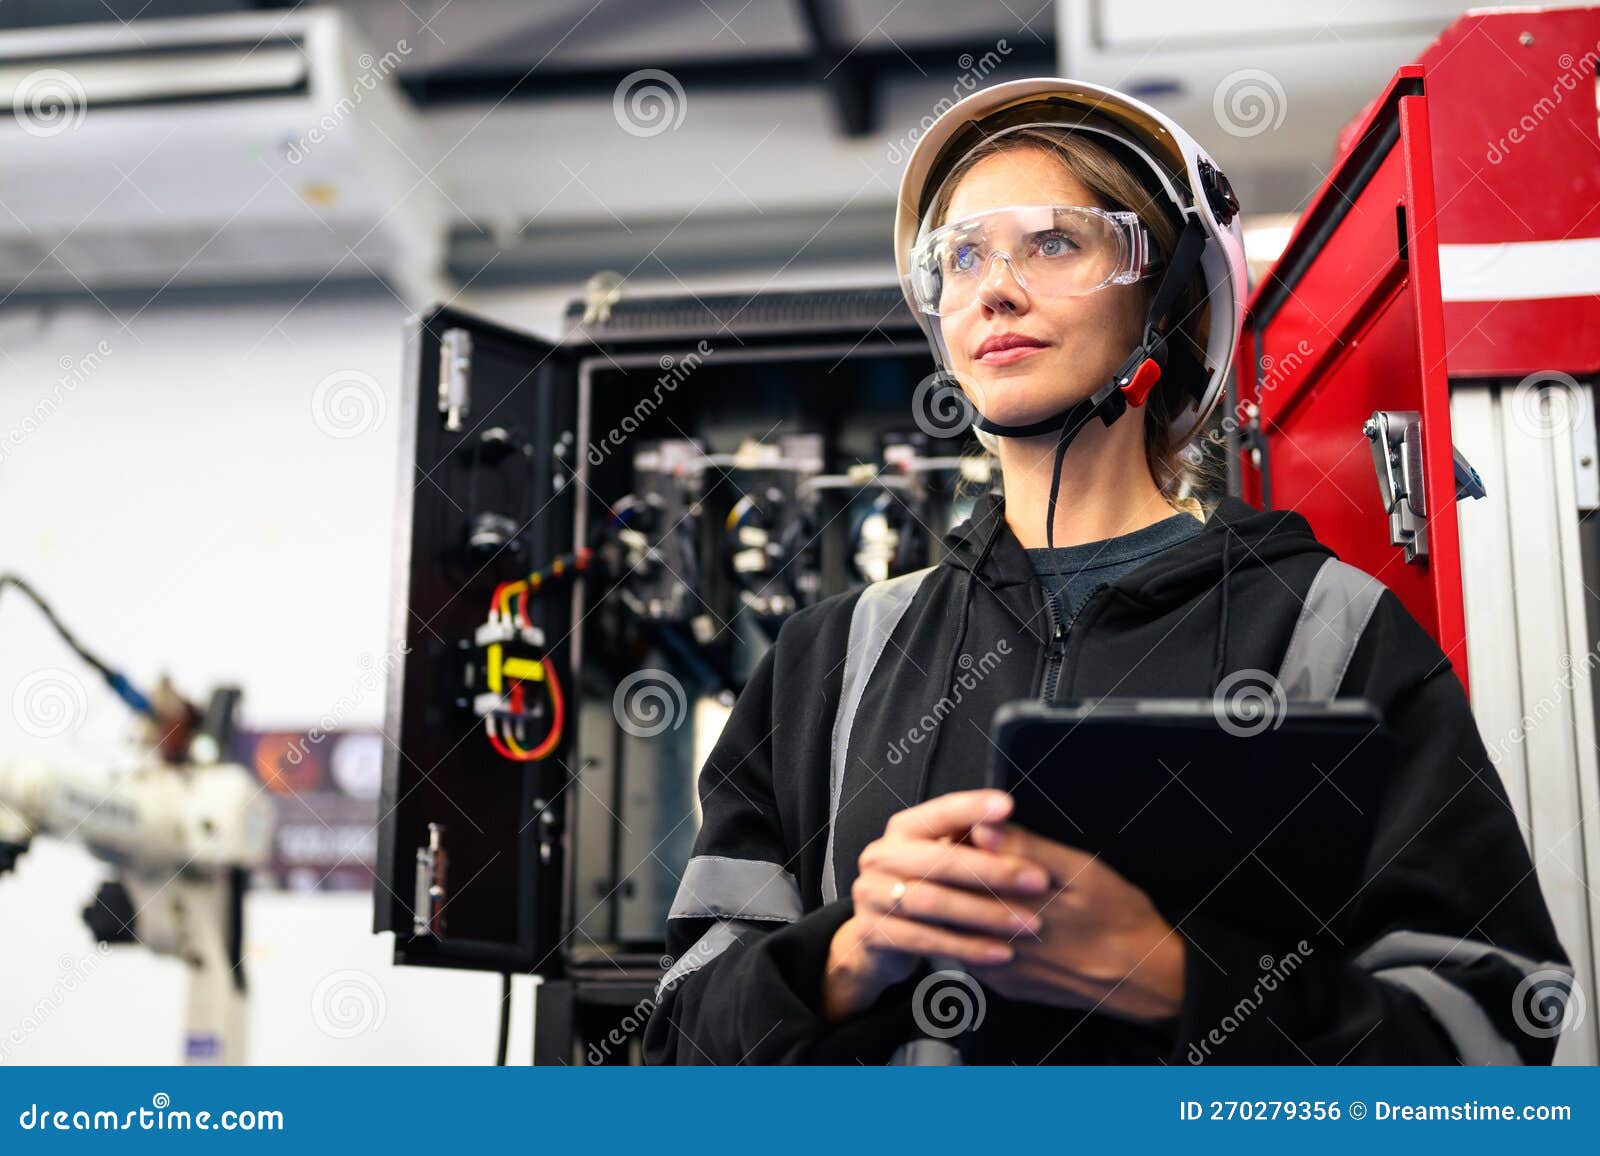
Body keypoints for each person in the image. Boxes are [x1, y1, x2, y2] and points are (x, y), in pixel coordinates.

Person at [642, 78, 1570, 1065]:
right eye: (960, 256)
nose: (993, 287)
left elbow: (1494, 1043)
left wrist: (1174, 976)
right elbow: (676, 1042)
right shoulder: (827, 663)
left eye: (1052, 242)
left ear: (1165, 298)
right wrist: (844, 954)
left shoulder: (1330, 631)